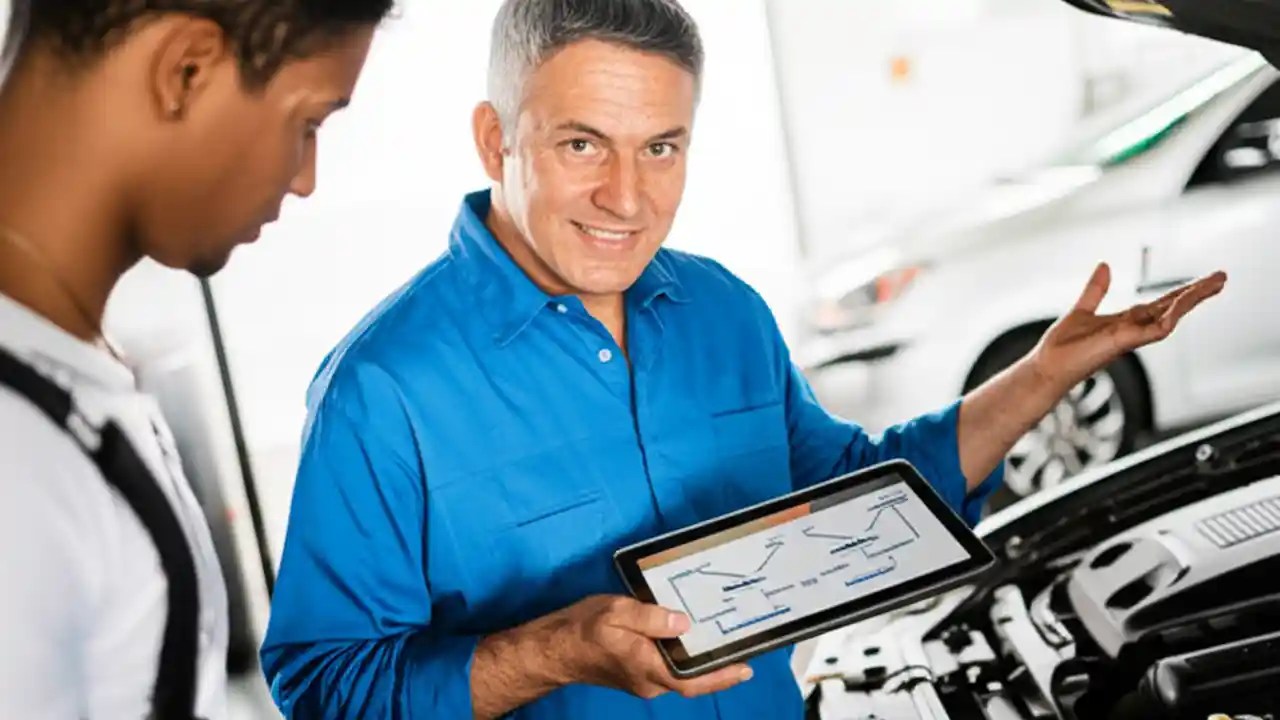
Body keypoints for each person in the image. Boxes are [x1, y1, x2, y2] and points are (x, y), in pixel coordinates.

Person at [259, 0, 1227, 717]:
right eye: (583, 145)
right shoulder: (382, 392)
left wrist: (1044, 374)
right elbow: (321, 684)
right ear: (492, 139)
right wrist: (551, 652)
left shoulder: (723, 312)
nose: (627, 198)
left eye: (662, 147)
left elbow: (859, 502)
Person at [0, 1, 393, 718]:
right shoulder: (17, 460)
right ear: (187, 70)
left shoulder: (61, 369)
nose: (305, 177)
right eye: (307, 123)